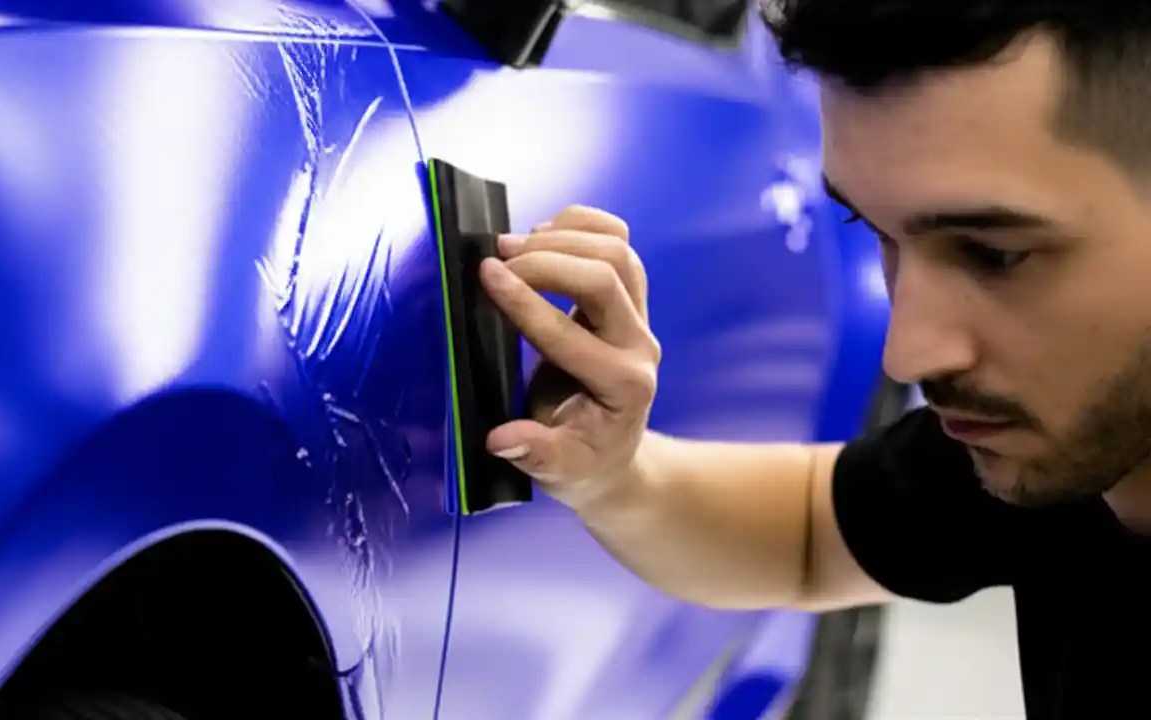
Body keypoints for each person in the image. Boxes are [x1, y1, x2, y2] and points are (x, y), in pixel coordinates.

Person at [477, 1, 1151, 718]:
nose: (909, 353)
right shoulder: (1073, 445)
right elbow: (805, 538)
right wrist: (611, 469)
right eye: (877, 232)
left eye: (996, 254)